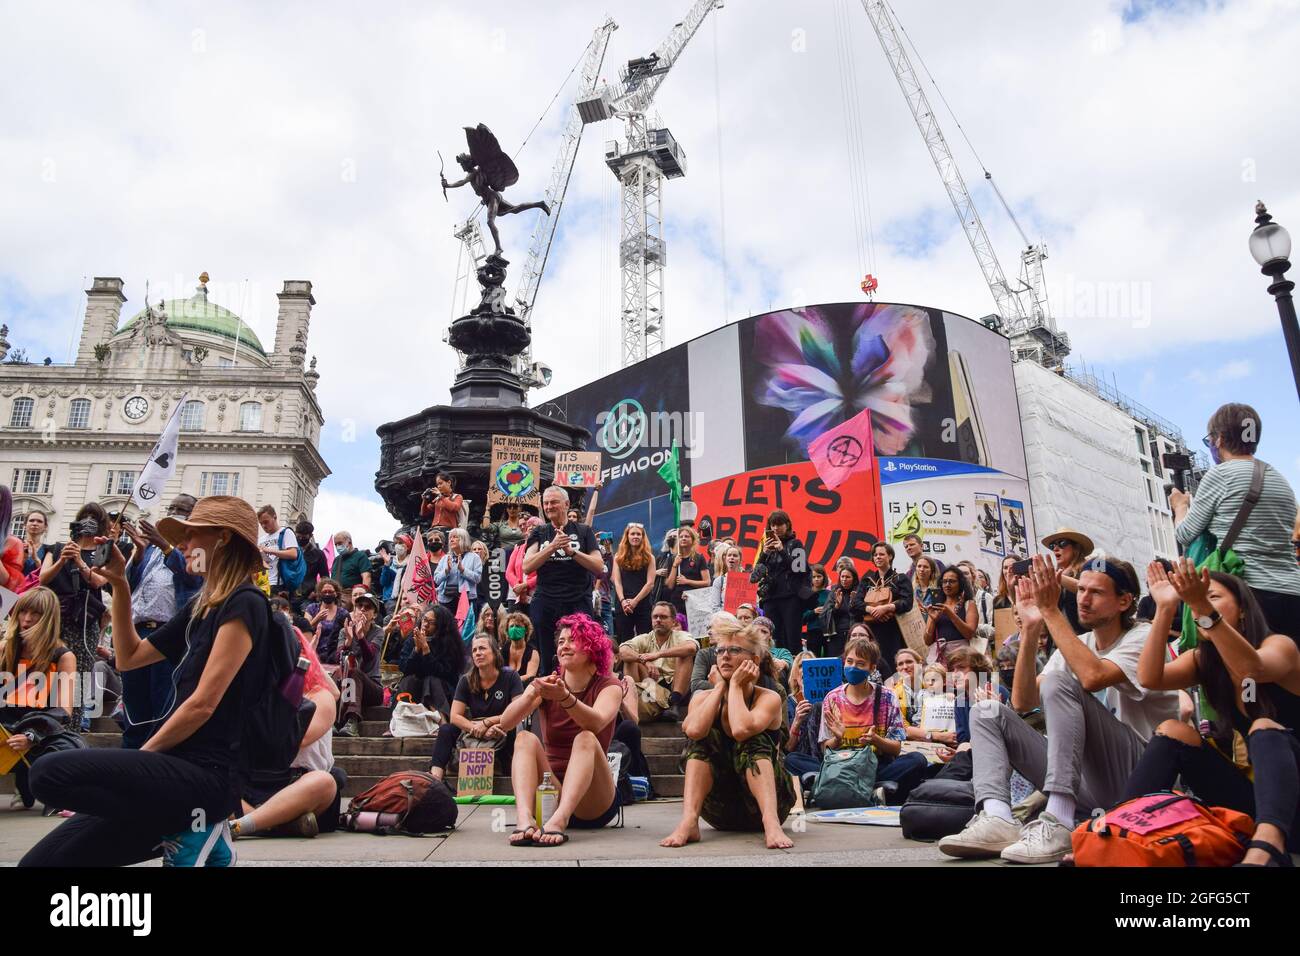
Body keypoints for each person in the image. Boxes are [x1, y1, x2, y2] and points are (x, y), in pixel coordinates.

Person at [20, 495, 275, 867]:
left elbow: (203, 704)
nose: (183, 545)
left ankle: (195, 823)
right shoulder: (201, 606)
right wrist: (120, 586)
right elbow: (130, 657)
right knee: (41, 863)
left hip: (207, 775)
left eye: (191, 535)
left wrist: (140, 761)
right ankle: (184, 824)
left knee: (46, 772)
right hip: (172, 778)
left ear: (221, 538)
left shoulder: (246, 602)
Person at [938, 554, 1179, 864]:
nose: (1084, 599)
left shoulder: (1143, 636)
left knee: (1058, 681)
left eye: (1097, 592)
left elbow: (1093, 677)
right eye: (1081, 590)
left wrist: (1050, 611)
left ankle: (1059, 820)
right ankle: (997, 817)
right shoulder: (1080, 641)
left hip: (1140, 778)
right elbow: (1023, 701)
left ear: (1124, 601)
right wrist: (1031, 628)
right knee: (986, 710)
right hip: (1091, 787)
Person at [1122, 558, 1300, 864]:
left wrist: (1201, 607)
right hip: (1257, 804)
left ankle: (1269, 851)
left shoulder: (1280, 646)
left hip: (1292, 806)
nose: (1199, 606)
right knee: (1173, 731)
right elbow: (1150, 678)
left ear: (1243, 609)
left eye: (1211, 597)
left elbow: (1251, 670)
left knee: (1264, 727)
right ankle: (1117, 831)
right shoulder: (1204, 659)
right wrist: (1165, 608)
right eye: (1195, 600)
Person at [1172, 402, 1300, 642]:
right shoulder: (1280, 479)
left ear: (1218, 439)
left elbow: (1185, 534)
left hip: (1249, 594)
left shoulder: (1220, 474)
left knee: (1249, 672)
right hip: (1292, 591)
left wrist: (1180, 507)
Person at [663, 622, 795, 849]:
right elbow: (693, 730)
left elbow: (741, 730)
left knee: (754, 739)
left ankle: (771, 825)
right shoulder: (703, 697)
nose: (725, 656)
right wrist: (719, 689)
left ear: (754, 660)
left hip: (765, 808)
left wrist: (734, 685)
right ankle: (689, 820)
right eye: (721, 651)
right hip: (720, 810)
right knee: (702, 739)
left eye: (734, 650)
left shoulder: (769, 697)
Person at [496, 614, 624, 846]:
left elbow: (594, 724)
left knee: (585, 737)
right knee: (524, 737)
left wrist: (564, 698)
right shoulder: (548, 683)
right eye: (561, 641)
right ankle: (524, 818)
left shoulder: (609, 685)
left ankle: (560, 820)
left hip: (592, 801)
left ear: (591, 647)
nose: (564, 645)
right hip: (550, 788)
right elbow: (505, 723)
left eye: (572, 640)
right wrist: (532, 695)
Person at [232, 630, 345, 839]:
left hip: (296, 783)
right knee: (209, 779)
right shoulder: (255, 694)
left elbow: (289, 741)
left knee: (325, 782)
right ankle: (272, 824)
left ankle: (247, 823)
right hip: (252, 781)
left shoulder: (320, 696)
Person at [118, 505, 202, 750]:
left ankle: (155, 756)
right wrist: (139, 554)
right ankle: (128, 756)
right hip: (138, 630)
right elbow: (128, 585)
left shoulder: (198, 549)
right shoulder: (150, 548)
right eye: (172, 507)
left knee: (162, 701)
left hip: (169, 634)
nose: (174, 511)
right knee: (135, 702)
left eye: (182, 508)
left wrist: (167, 546)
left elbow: (195, 577)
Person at [819, 637, 928, 803]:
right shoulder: (832, 698)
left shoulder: (887, 697)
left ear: (872, 668)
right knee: (794, 760)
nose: (853, 667)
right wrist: (838, 738)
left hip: (875, 766)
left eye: (860, 663)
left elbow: (896, 749)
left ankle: (852, 789)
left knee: (917, 760)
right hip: (841, 766)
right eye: (849, 661)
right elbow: (825, 750)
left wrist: (876, 740)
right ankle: (872, 790)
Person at [1, 587, 77, 810]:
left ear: (48, 619)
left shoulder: (63, 656)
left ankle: (51, 791)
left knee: (69, 746)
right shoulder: (4, 649)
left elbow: (64, 710)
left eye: (36, 614)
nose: (27, 619)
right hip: (5, 728)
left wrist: (32, 735)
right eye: (23, 611)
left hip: (39, 730)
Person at [39, 502, 113, 730]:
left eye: (94, 518)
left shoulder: (103, 551)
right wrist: (64, 559)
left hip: (84, 623)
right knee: (48, 671)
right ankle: (42, 724)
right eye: (85, 517)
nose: (88, 522)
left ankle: (71, 727)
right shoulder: (57, 547)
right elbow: (43, 579)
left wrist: (80, 562)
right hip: (55, 620)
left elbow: (100, 581)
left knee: (79, 677)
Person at [521, 486, 603, 675]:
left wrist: (571, 552)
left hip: (577, 601)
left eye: (554, 502)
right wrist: (552, 547)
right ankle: (550, 692)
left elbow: (598, 566)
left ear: (566, 504)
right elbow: (527, 566)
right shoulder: (539, 532)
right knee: (547, 653)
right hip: (546, 602)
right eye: (546, 503)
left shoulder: (584, 531)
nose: (549, 506)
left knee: (582, 650)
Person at [430, 633, 525, 782]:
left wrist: (489, 724)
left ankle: (511, 776)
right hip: (475, 728)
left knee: (515, 731)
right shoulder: (466, 680)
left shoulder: (510, 676)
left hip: (503, 726)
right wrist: (476, 728)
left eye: (482, 648)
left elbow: (519, 709)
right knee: (446, 730)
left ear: (494, 652)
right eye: (474, 650)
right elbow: (455, 716)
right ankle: (434, 779)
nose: (478, 653)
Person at [618, 601, 699, 722]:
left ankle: (674, 705)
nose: (658, 620)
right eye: (655, 617)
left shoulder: (681, 636)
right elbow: (622, 651)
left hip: (675, 687)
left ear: (673, 621)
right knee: (630, 659)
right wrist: (643, 660)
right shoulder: (644, 638)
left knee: (685, 654)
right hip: (650, 684)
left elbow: (691, 647)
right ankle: (634, 701)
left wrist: (657, 654)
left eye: (663, 617)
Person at [851, 542, 913, 681]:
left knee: (893, 665)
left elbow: (907, 602)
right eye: (875, 555)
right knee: (873, 662)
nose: (878, 557)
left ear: (890, 556)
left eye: (881, 554)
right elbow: (855, 604)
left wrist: (886, 608)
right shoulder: (867, 581)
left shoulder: (900, 579)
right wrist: (872, 610)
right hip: (872, 631)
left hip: (894, 630)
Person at [754, 509, 812, 655]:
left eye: (779, 524)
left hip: (790, 598)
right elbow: (756, 574)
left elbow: (800, 569)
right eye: (772, 525)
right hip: (770, 598)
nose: (775, 528)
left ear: (787, 525)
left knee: (792, 639)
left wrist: (781, 550)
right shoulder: (767, 546)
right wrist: (764, 554)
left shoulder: (795, 544)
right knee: (772, 638)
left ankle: (794, 673)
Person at [395, 604, 465, 720]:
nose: (425, 625)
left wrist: (426, 650)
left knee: (431, 680)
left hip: (442, 690)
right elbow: (405, 669)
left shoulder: (450, 643)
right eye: (425, 620)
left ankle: (441, 720)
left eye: (431, 623)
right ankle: (398, 719)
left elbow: (446, 673)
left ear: (440, 626)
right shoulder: (412, 639)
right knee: (409, 680)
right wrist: (416, 650)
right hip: (416, 688)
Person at [332, 592, 384, 736]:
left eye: (367, 607)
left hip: (372, 688)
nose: (362, 610)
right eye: (359, 606)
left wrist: (360, 637)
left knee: (354, 673)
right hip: (348, 684)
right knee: (338, 674)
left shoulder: (378, 632)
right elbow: (339, 660)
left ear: (374, 614)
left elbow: (369, 657)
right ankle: (333, 721)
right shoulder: (345, 631)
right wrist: (348, 643)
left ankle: (352, 721)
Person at [1040, 527, 1092, 635]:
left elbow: (1087, 589)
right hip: (1056, 639)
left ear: (1076, 548)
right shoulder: (1055, 574)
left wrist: (1055, 576)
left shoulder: (1087, 570)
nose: (1055, 548)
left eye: (1062, 543)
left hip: (1083, 637)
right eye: (1052, 545)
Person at [924, 567, 979, 665]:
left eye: (952, 581)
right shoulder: (936, 606)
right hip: (940, 659)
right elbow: (927, 641)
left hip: (962, 658)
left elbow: (969, 634)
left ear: (960, 584)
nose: (947, 585)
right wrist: (933, 620)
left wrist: (950, 614)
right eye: (944, 581)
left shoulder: (969, 604)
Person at [612, 522, 656, 642]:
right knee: (624, 641)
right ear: (627, 536)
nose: (635, 536)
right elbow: (617, 582)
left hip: (643, 604)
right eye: (632, 534)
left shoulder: (649, 557)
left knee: (645, 640)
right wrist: (623, 601)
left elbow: (650, 583)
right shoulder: (618, 557)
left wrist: (635, 601)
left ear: (643, 537)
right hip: (623, 605)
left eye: (638, 534)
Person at [663, 525, 711, 618]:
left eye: (687, 536)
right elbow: (670, 585)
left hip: (694, 602)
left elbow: (707, 582)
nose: (683, 538)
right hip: (676, 602)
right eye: (681, 536)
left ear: (692, 540)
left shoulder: (699, 558)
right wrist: (674, 565)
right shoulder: (672, 559)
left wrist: (687, 581)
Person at [433, 527, 482, 617]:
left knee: (465, 629)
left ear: (463, 539)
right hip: (446, 600)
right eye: (450, 537)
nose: (451, 539)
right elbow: (436, 579)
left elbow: (477, 578)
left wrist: (463, 570)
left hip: (467, 599)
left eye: (455, 537)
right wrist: (446, 571)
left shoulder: (474, 557)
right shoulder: (445, 558)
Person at [256, 505, 299, 599]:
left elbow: (293, 554)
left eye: (266, 522)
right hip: (263, 582)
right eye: (261, 523)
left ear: (274, 517)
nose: (264, 526)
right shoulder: (261, 539)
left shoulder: (285, 532)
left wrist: (270, 551)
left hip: (279, 583)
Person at [818, 564, 860, 658]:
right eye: (842, 576)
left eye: (847, 577)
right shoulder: (834, 592)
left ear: (854, 578)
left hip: (855, 634)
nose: (844, 579)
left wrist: (855, 605)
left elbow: (863, 613)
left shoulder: (859, 592)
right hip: (837, 635)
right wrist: (836, 607)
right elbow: (823, 615)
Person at [305, 579, 349, 663]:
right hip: (314, 653)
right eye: (324, 592)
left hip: (333, 656)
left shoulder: (343, 613)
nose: (327, 594)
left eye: (330, 592)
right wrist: (316, 620)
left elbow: (346, 635)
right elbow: (304, 631)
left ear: (336, 593)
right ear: (319, 594)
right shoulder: (312, 608)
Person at [505, 515, 542, 612]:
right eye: (529, 525)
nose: (530, 528)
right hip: (517, 596)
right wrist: (519, 586)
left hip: (536, 596)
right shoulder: (518, 547)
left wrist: (526, 585)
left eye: (534, 526)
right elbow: (509, 572)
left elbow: (545, 572)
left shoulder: (545, 548)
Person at [499, 611, 540, 687]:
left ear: (526, 630)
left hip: (525, 688)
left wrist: (509, 681)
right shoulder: (503, 651)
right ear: (507, 631)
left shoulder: (532, 652)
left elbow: (530, 676)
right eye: (511, 626)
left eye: (518, 626)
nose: (514, 629)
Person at [295, 520, 330, 608]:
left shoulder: (319, 554)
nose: (301, 539)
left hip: (308, 596)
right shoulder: (290, 551)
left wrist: (316, 592)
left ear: (310, 536)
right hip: (290, 593)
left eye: (304, 536)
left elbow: (325, 577)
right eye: (298, 536)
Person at [802, 564, 830, 656]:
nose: (816, 579)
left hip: (828, 631)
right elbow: (802, 617)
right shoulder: (806, 595)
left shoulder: (830, 594)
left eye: (819, 576)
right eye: (814, 577)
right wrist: (814, 611)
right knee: (813, 658)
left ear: (824, 577)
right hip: (813, 631)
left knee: (829, 658)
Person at [709, 543, 746, 612]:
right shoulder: (719, 581)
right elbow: (715, 607)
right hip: (726, 620)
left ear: (740, 559)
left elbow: (755, 605)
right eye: (729, 555)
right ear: (725, 559)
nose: (732, 557)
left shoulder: (748, 580)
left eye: (735, 555)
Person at [20, 508, 50, 576]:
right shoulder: (14, 545)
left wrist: (36, 560)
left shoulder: (49, 550)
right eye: (31, 520)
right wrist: (23, 559)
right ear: (24, 525)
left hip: (36, 586)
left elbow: (48, 576)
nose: (35, 523)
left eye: (39, 521)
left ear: (45, 527)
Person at [470, 540, 493, 615]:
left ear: (485, 552)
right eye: (474, 549)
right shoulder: (468, 567)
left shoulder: (491, 567)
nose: (477, 551)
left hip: (485, 601)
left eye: (479, 549)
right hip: (472, 600)